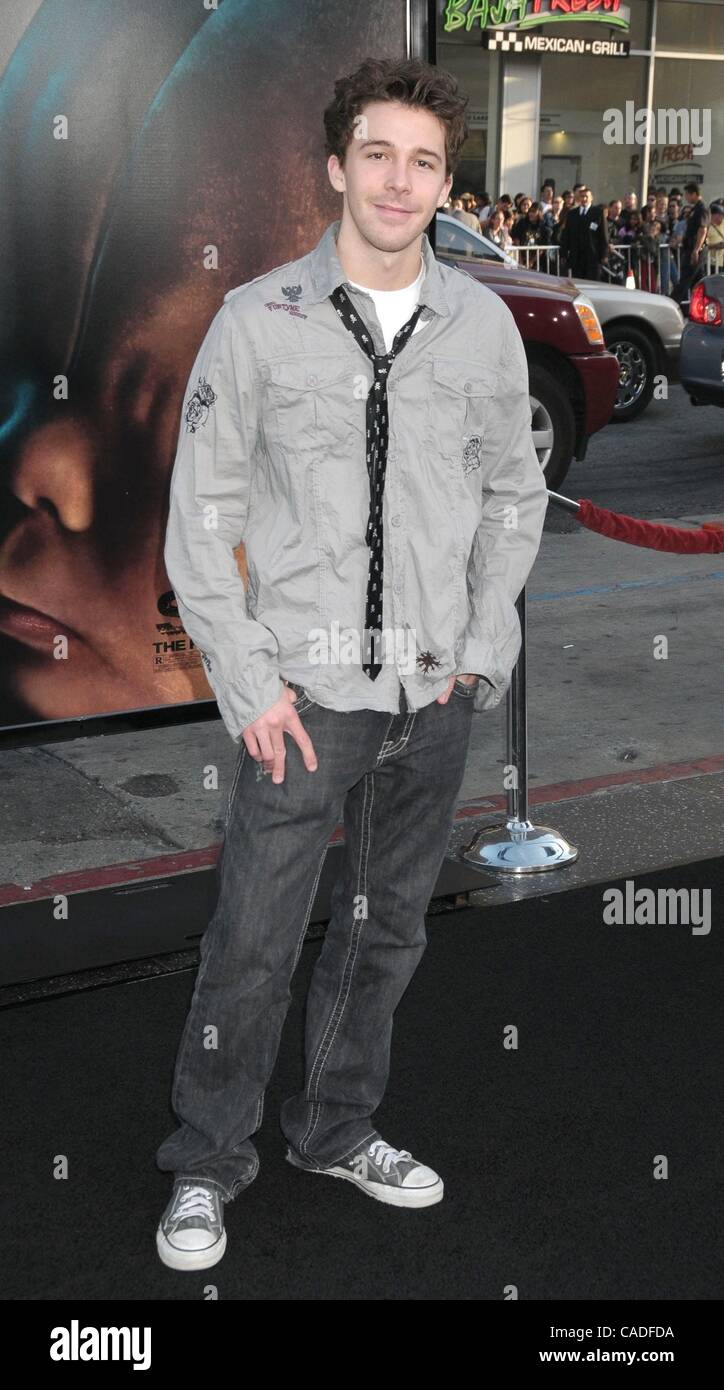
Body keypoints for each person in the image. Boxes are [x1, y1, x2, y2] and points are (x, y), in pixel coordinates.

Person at [154, 55, 548, 1271]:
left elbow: (510, 495)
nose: (398, 179)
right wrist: (251, 682)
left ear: (445, 182)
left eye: (424, 161)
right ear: (335, 167)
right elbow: (197, 518)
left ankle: (336, 1127)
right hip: (302, 702)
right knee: (253, 945)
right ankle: (206, 1166)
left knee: (383, 935)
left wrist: (481, 654)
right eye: (376, 154)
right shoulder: (256, 320)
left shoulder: (482, 323)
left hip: (432, 698)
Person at [671, 182, 710, 311]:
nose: (686, 197)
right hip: (691, 247)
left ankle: (671, 304)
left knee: (685, 279)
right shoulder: (695, 209)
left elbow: (702, 230)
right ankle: (702, 308)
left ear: (694, 194)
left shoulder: (702, 209)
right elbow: (691, 230)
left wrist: (696, 250)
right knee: (698, 283)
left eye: (687, 194)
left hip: (696, 249)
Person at [558, 184, 609, 280]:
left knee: (593, 283)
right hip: (576, 257)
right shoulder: (572, 214)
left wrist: (604, 254)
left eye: (586, 196)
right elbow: (566, 235)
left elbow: (603, 235)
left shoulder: (598, 212)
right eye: (582, 196)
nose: (584, 199)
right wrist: (563, 254)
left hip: (593, 257)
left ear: (591, 198)